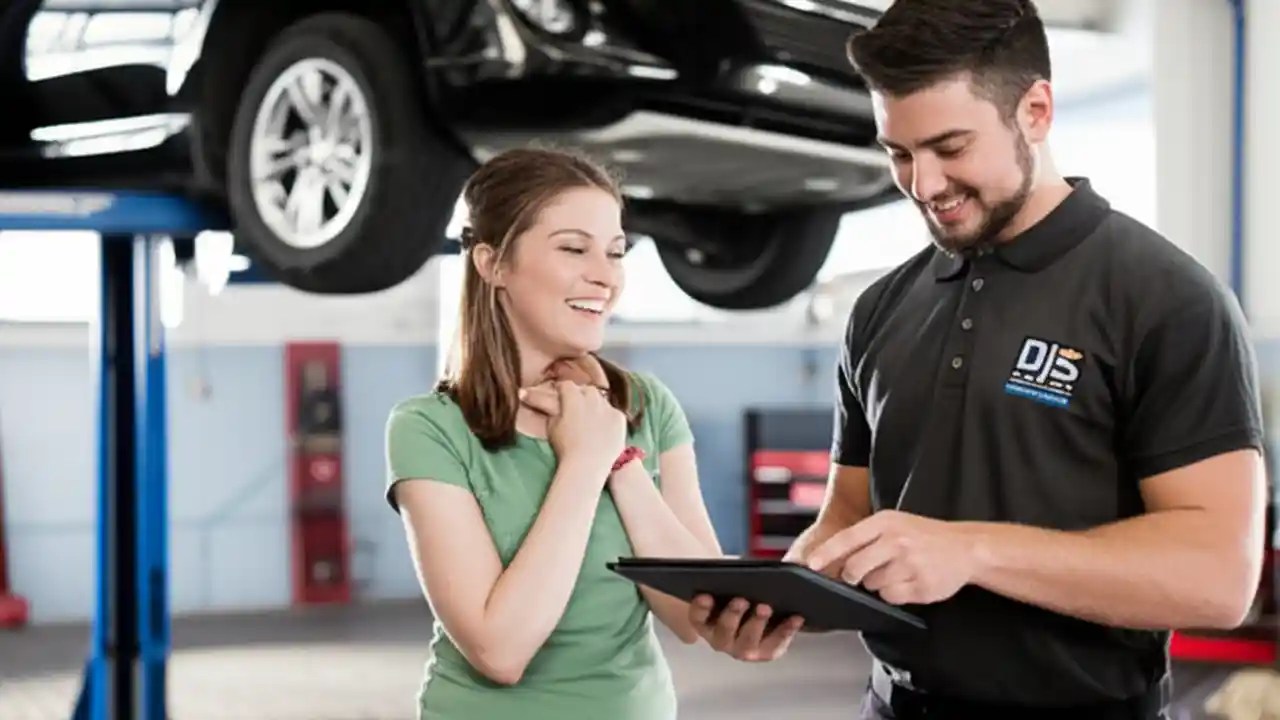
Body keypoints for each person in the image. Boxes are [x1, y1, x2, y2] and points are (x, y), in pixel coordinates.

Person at [687, 1, 1268, 718]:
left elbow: (1217, 578)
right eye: (899, 153)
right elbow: (845, 513)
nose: (923, 185)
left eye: (950, 147)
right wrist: (789, 594)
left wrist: (973, 553)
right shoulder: (880, 310)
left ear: (1035, 110)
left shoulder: (1167, 299)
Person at [384, 146, 723, 720]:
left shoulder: (649, 407)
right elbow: (501, 650)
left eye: (615, 253)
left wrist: (620, 460)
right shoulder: (429, 429)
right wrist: (582, 463)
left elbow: (692, 613)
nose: (605, 276)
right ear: (493, 264)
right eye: (573, 248)